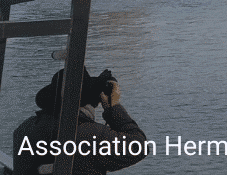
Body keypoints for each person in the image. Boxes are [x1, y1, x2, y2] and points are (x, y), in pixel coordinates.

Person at [12, 67, 148, 175]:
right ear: (89, 102)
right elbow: (139, 147)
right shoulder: (90, 136)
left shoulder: (24, 129)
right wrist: (114, 108)